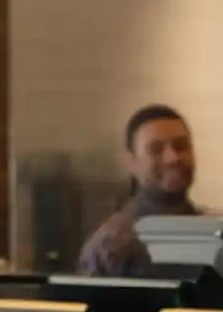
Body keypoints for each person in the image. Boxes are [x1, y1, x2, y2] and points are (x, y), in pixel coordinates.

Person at [77, 104, 200, 277]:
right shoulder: (111, 245)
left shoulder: (216, 236)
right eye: (156, 149)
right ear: (131, 163)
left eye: (181, 146)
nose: (173, 158)